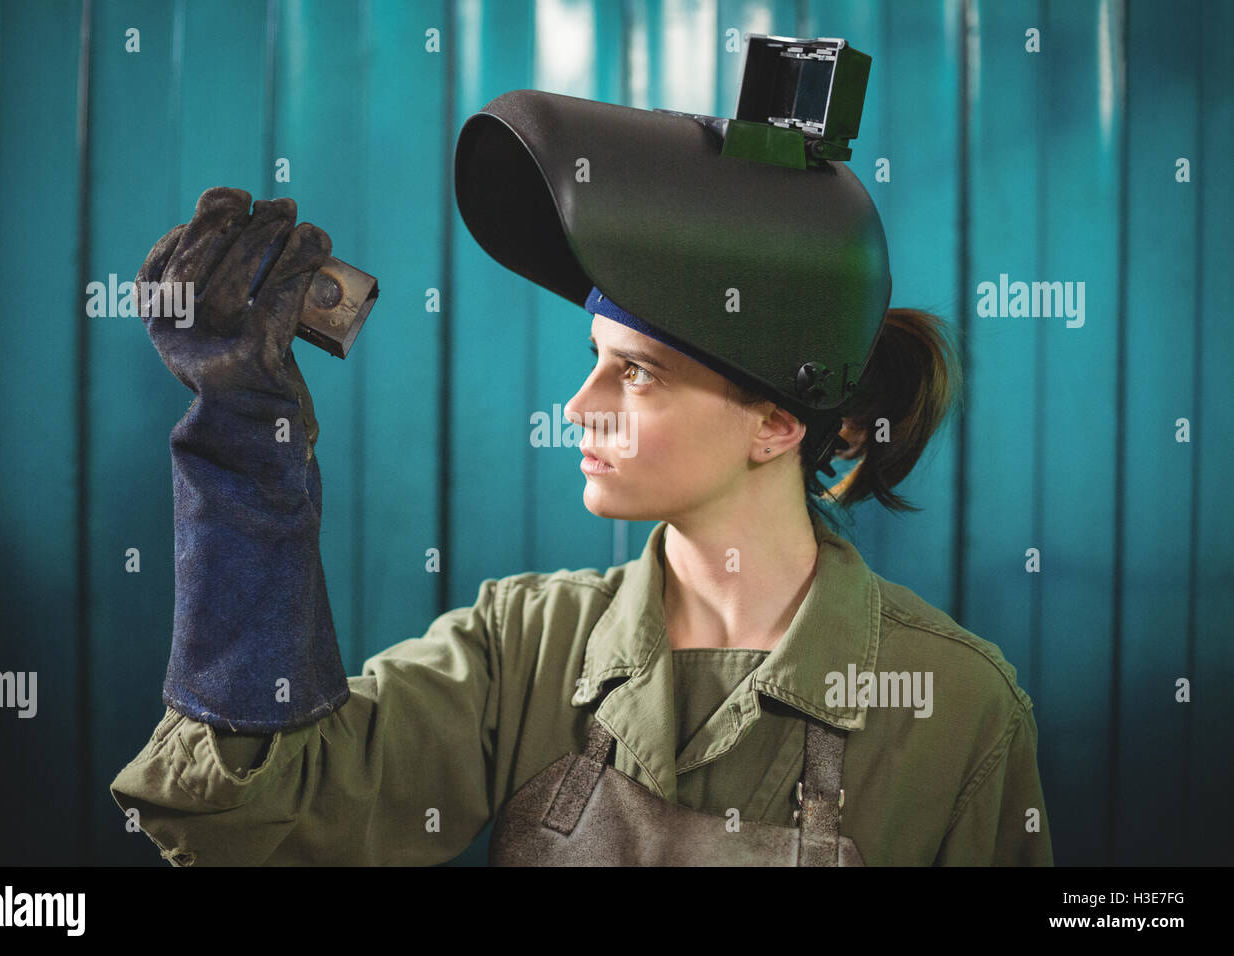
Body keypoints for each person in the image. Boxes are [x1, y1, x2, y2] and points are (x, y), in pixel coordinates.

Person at [111, 86, 1054, 867]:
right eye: (596, 357)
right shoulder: (524, 647)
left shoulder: (957, 710)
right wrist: (246, 451)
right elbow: (256, 819)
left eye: (635, 373)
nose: (577, 406)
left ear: (774, 422)